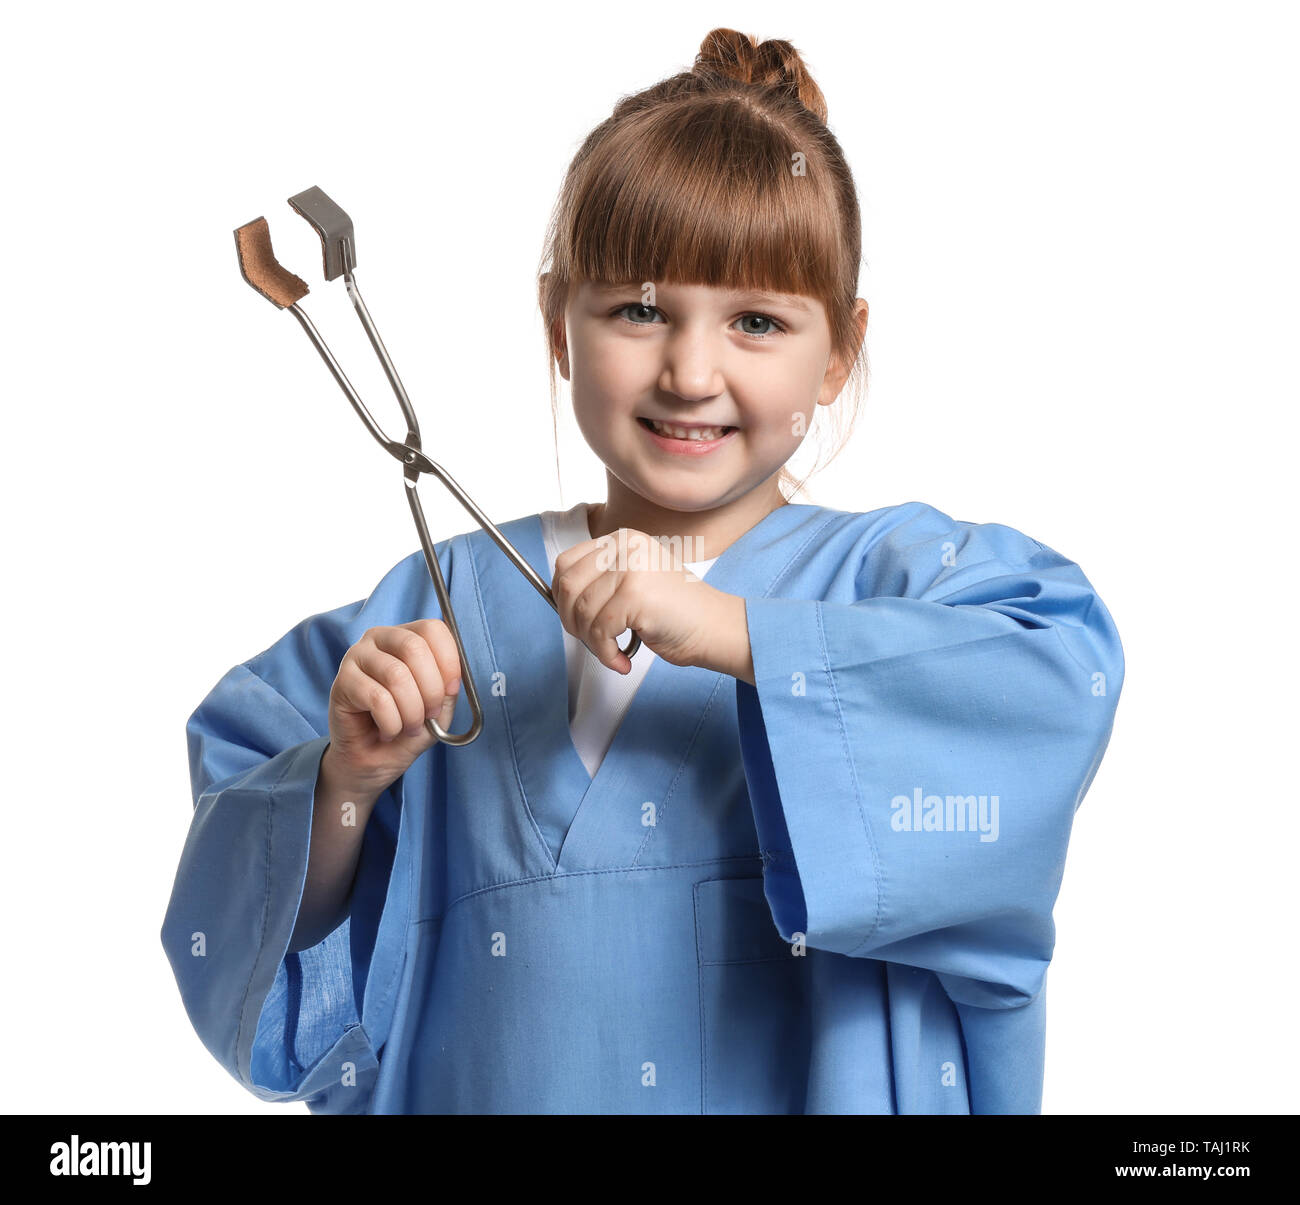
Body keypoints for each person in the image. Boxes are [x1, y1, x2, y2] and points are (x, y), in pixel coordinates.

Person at [161, 27, 1123, 1114]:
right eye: (637, 309)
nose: (690, 369)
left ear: (841, 349)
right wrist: (345, 781)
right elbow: (257, 924)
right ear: (556, 322)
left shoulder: (889, 578)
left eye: (757, 320)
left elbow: (1051, 680)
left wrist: (731, 632)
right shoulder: (433, 605)